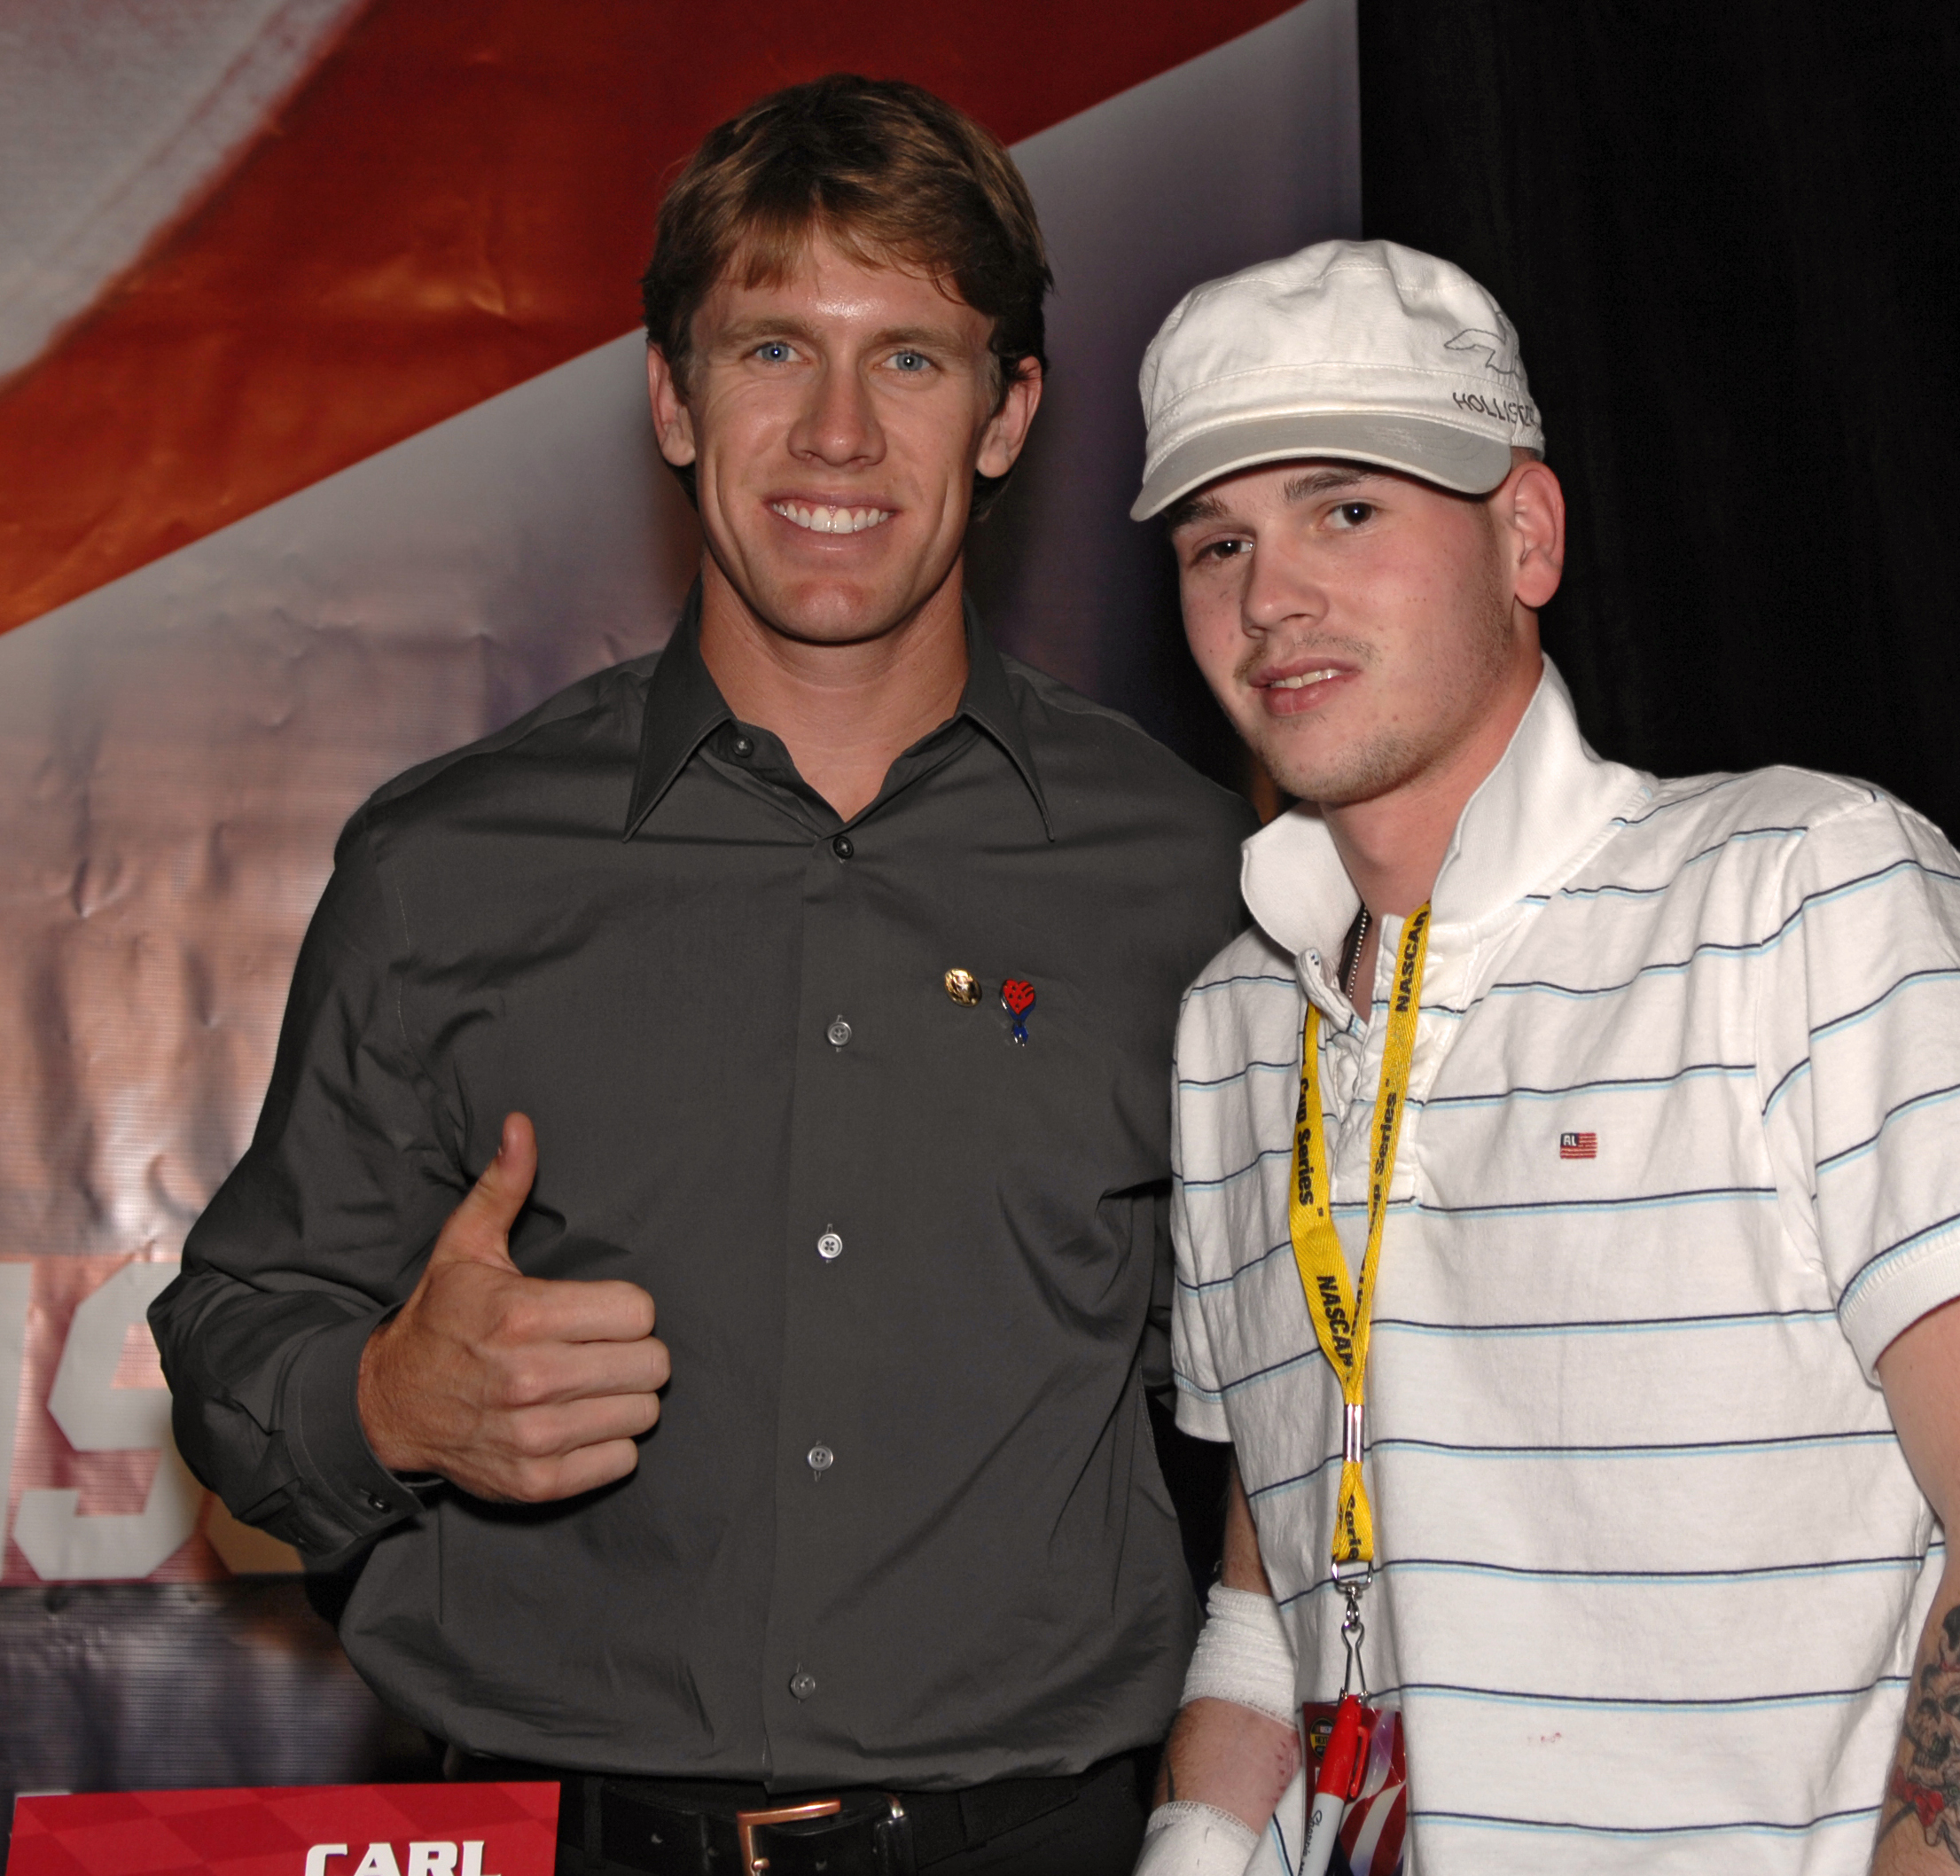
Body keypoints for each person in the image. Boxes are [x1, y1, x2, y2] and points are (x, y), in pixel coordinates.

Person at [152, 76, 1255, 1876]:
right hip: (568, 1838)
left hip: (1038, 1838)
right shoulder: (449, 864)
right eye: (769, 350)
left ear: (1008, 414)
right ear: (673, 396)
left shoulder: (1194, 881)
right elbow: (233, 1328)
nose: (835, 432)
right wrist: (386, 1400)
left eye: (909, 358)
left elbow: (1318, 1402)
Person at [1128, 240, 1960, 1875]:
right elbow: (1277, 1587)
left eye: (1347, 510)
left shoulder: (1801, 888)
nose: (1271, 597)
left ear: (1523, 534)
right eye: (1216, 542)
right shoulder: (1230, 1024)